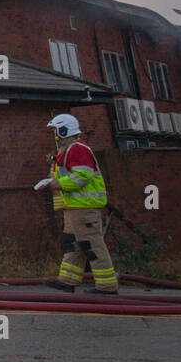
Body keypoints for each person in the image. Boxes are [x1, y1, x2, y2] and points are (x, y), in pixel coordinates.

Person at [41, 113, 118, 294]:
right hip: (73, 208)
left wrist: (57, 184)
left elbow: (82, 176)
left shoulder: (77, 149)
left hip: (84, 208)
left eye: (55, 130)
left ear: (64, 129)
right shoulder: (65, 151)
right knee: (72, 244)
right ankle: (68, 280)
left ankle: (107, 286)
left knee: (91, 244)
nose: (54, 135)